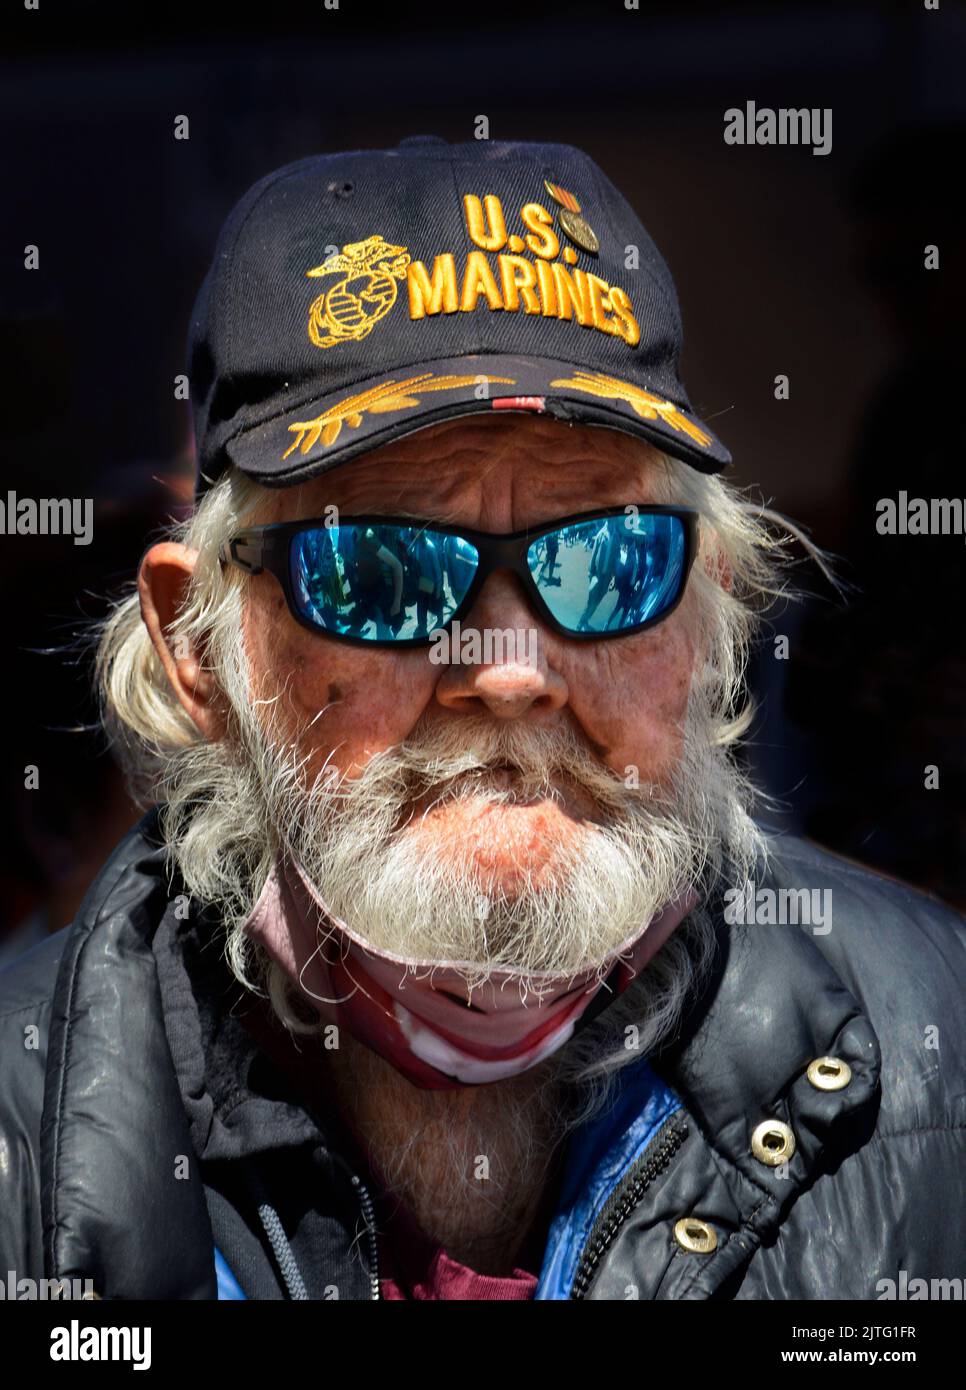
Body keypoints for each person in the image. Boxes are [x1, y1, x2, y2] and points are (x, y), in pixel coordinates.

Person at [0, 136, 962, 1302]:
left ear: (708, 613)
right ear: (199, 646)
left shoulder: (942, 1057)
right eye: (381, 570)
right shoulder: (22, 1140)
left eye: (609, 557)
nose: (508, 670)